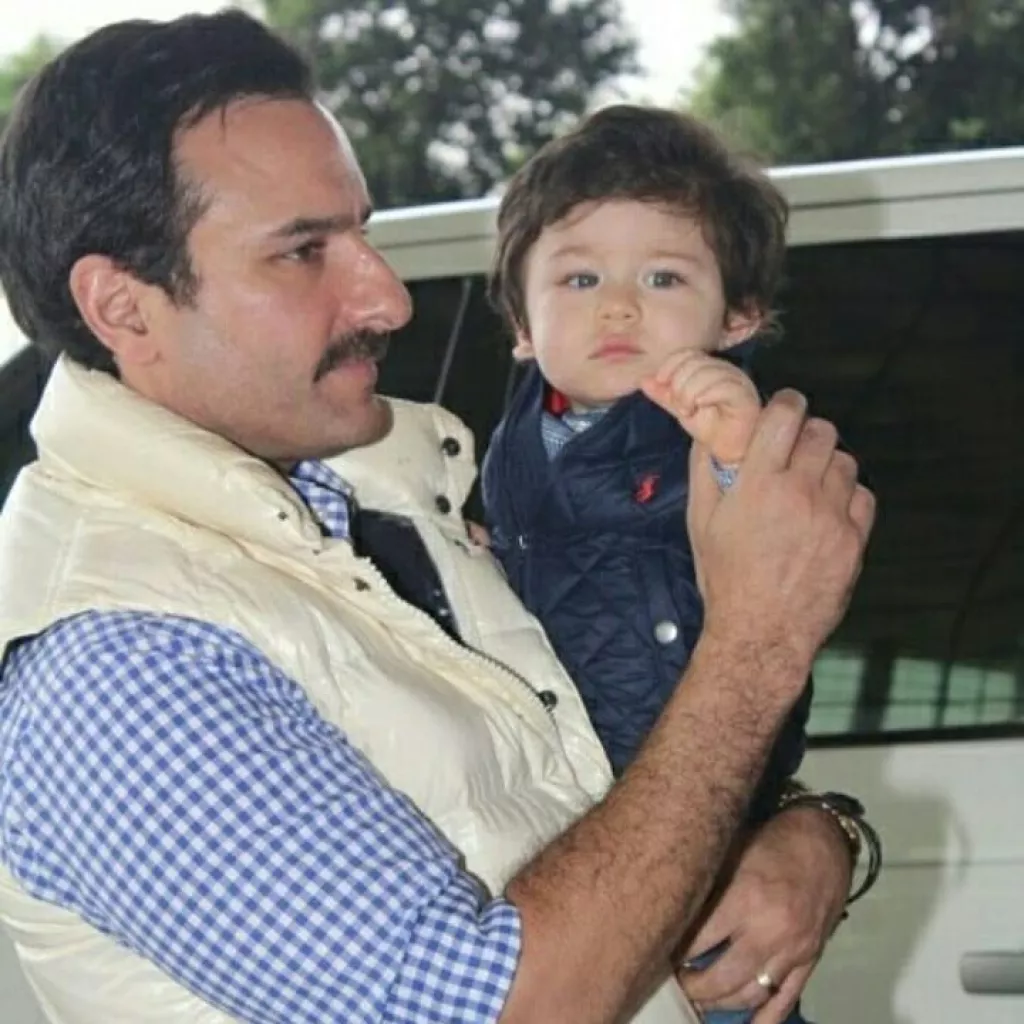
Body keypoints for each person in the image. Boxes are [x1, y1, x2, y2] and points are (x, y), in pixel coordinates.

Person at [0, 12, 874, 1024]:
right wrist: (757, 643)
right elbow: (496, 1012)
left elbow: (623, 805)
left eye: (361, 232)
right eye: (302, 253)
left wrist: (809, 831)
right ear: (124, 306)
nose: (387, 296)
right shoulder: (121, 666)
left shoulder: (384, 504)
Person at [481, 106, 830, 1021]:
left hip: (698, 848)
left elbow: (771, 555)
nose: (619, 304)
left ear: (739, 316)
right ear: (522, 323)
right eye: (581, 276)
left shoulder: (716, 430)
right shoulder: (492, 448)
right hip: (563, 852)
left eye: (664, 275)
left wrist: (733, 449)